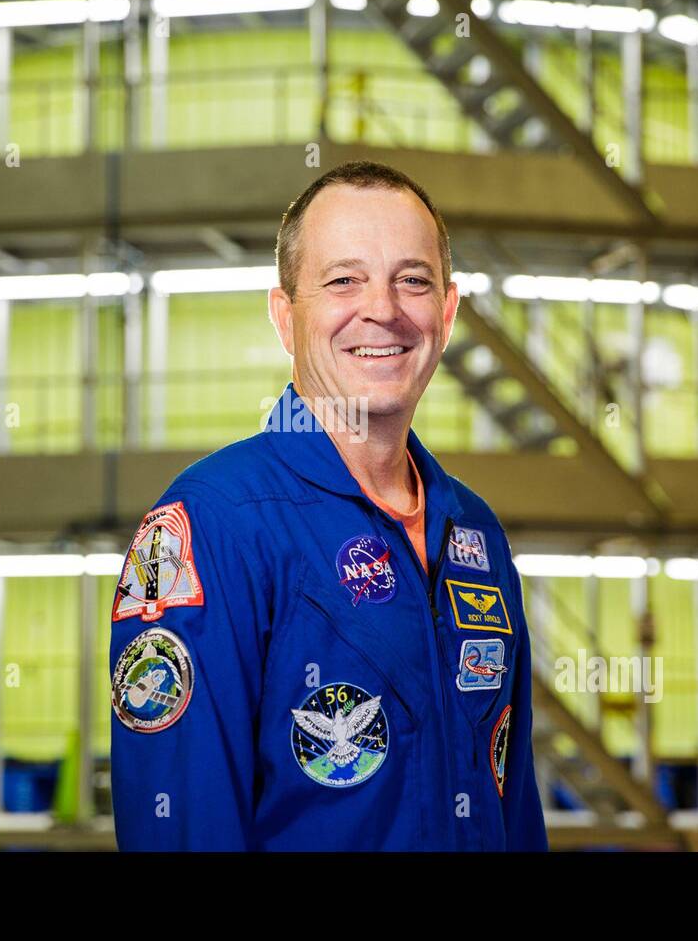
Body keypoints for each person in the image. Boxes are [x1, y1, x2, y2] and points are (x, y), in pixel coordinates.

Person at [108, 160, 548, 851]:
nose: (384, 308)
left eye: (413, 279)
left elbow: (514, 808)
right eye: (343, 279)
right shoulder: (217, 525)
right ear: (285, 317)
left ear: (448, 311)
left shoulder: (475, 535)